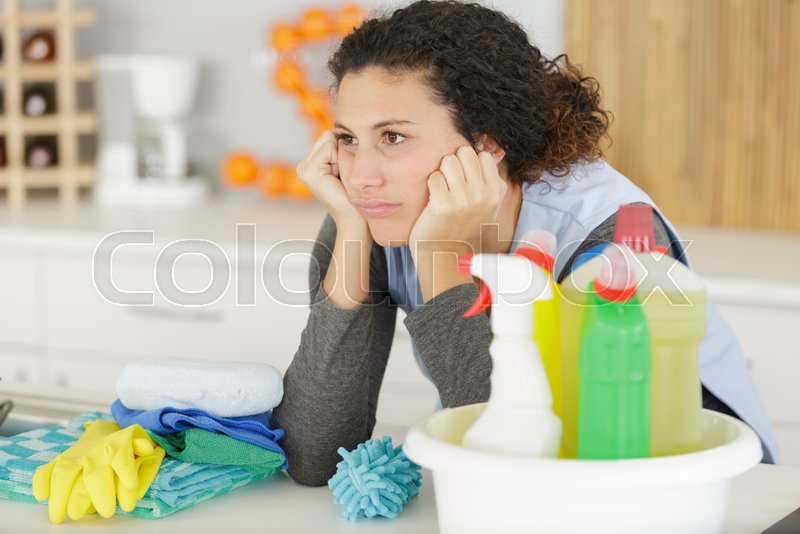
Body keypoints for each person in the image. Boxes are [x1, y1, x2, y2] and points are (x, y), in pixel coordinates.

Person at [270, 0, 778, 486]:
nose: (360, 176)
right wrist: (352, 233)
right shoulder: (371, 211)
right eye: (348, 138)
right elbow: (313, 457)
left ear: (486, 145)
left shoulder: (609, 237)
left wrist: (439, 259)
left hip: (709, 483)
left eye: (393, 138)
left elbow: (531, 458)